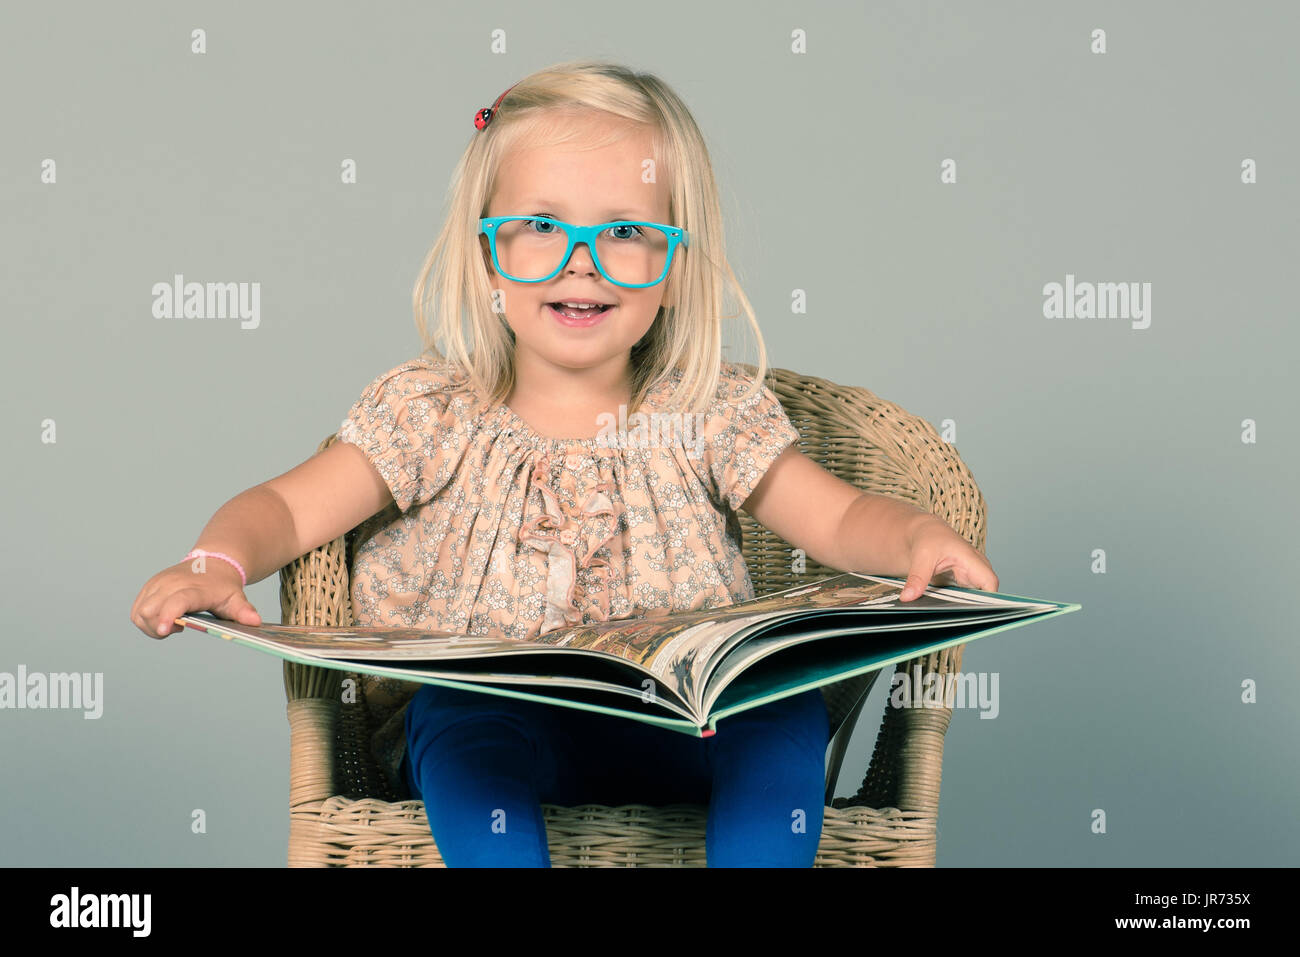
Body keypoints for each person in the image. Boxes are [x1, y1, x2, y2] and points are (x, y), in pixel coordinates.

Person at [129, 59, 998, 867]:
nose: (581, 260)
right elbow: (286, 508)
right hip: (503, 741)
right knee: (462, 722)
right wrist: (215, 561)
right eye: (539, 226)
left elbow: (838, 518)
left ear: (671, 261)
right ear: (487, 255)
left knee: (781, 717)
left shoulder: (706, 412)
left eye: (625, 230)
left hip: (681, 734)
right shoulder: (432, 411)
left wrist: (918, 533)